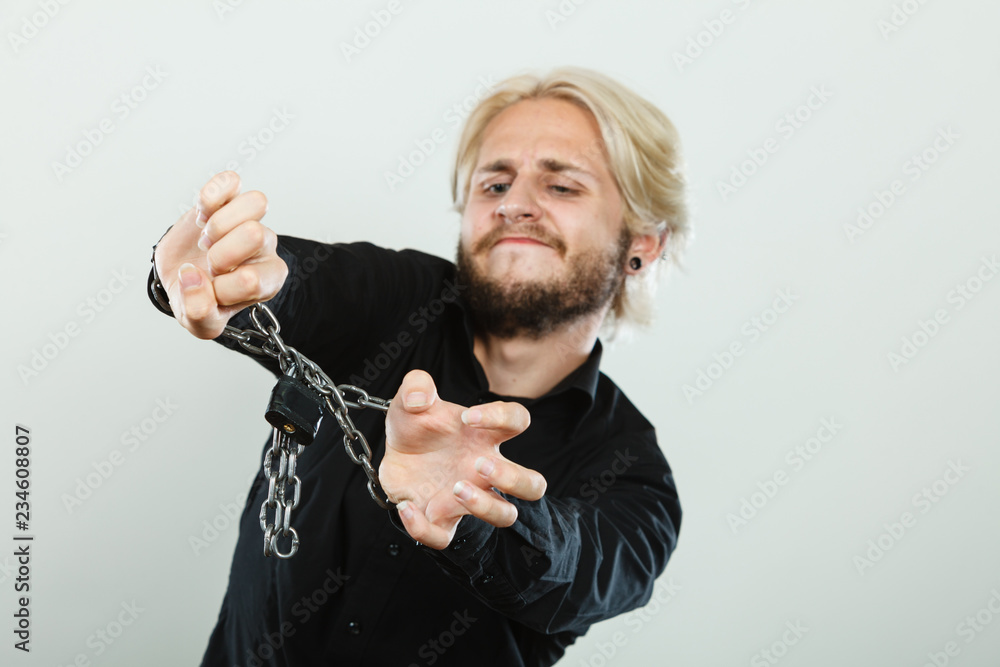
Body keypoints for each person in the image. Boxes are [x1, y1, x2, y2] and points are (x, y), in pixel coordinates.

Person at [147, 66, 689, 667]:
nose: (514, 205)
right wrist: (226, 272)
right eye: (494, 184)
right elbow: (298, 285)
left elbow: (576, 571)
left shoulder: (634, 475)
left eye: (561, 187)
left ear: (643, 242)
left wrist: (474, 509)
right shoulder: (398, 300)